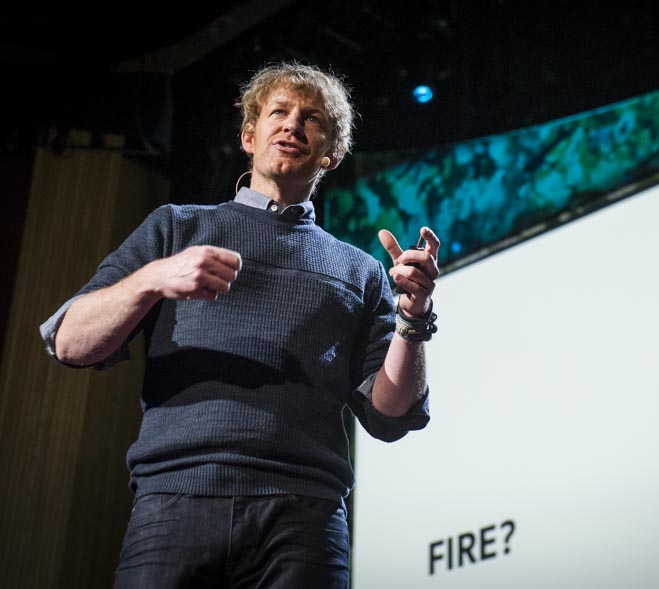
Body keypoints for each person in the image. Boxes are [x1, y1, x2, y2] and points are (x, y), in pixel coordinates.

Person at [39, 61, 440, 587]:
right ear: (249, 136)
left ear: (332, 155)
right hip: (175, 502)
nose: (293, 124)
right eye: (280, 112)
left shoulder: (358, 270)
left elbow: (390, 413)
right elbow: (70, 342)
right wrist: (153, 278)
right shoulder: (176, 227)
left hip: (306, 520)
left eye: (312, 118)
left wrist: (414, 315)